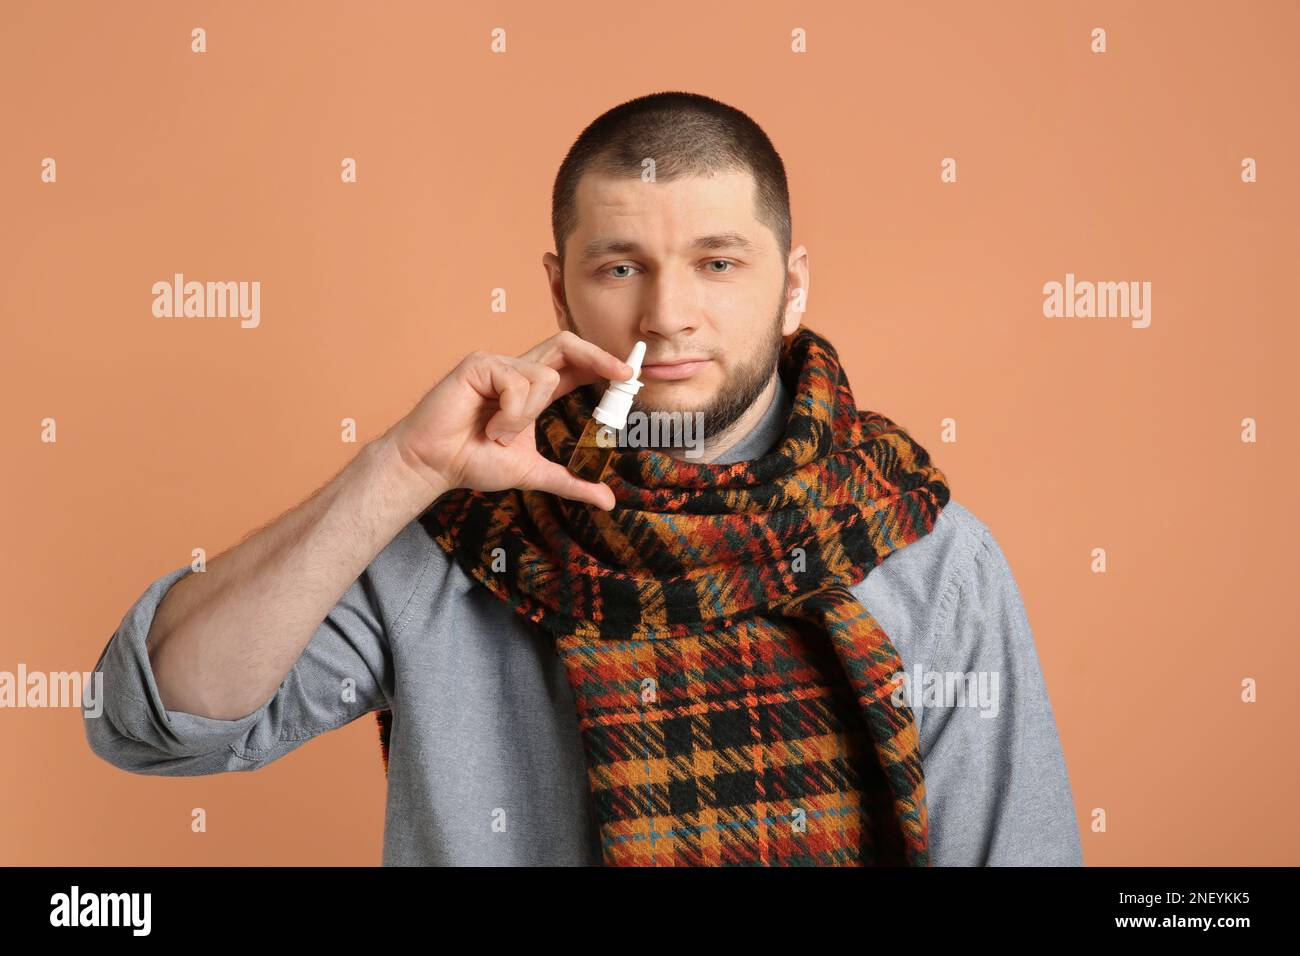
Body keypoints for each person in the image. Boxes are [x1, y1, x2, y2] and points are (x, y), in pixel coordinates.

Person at [84, 91, 1083, 867]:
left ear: (795, 287)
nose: (666, 312)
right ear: (559, 287)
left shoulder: (923, 549)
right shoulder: (459, 530)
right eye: (620, 267)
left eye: (718, 262)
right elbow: (157, 720)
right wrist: (401, 468)